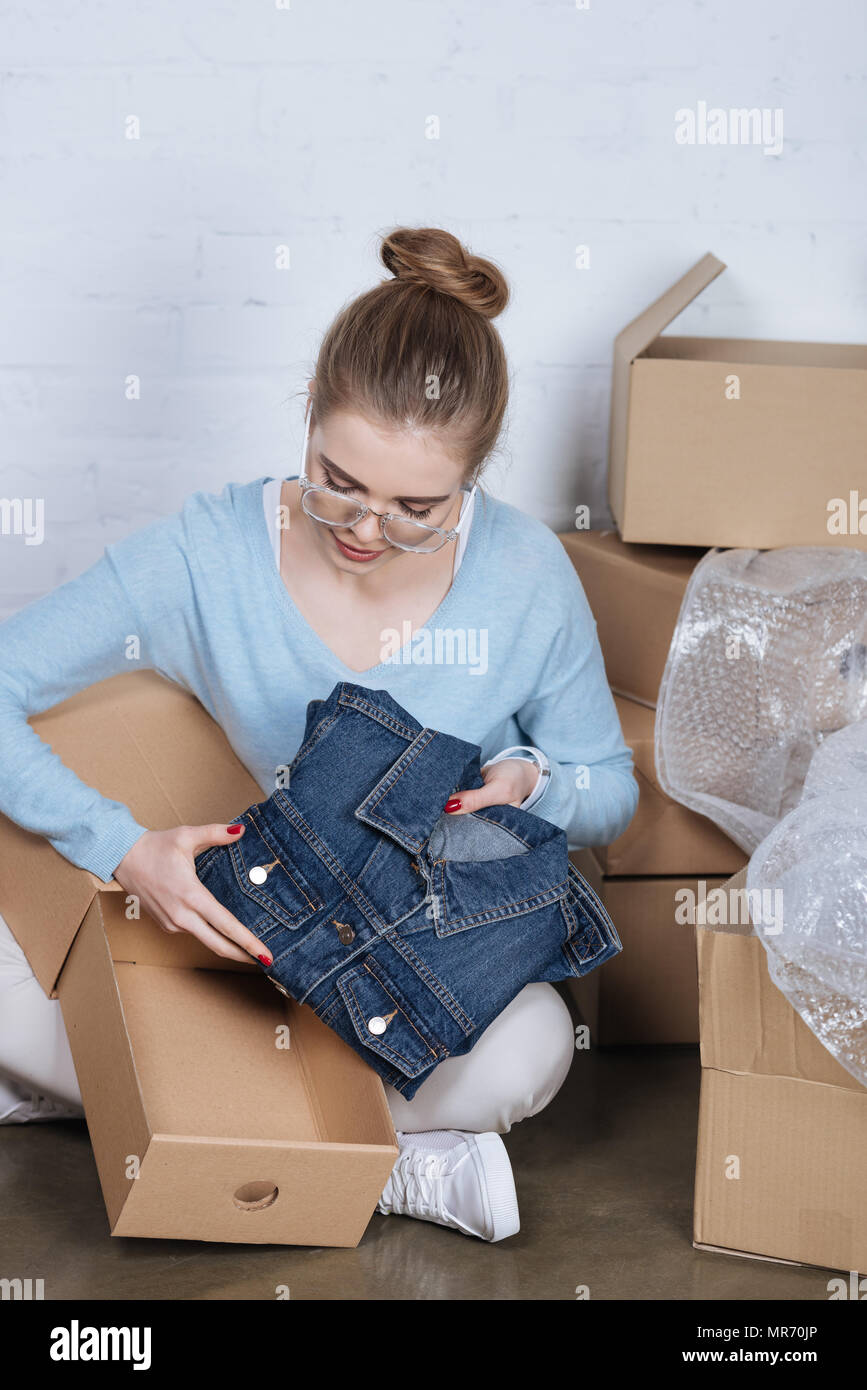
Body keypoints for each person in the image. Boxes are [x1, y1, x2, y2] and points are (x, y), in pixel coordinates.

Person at [0, 226, 638, 1243]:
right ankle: (369, 1157)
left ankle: (144, 1102)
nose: (365, 532)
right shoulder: (208, 553)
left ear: (474, 479)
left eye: (417, 507)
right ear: (307, 418)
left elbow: (610, 785)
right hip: (228, 940)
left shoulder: (526, 577)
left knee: (537, 1044)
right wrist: (122, 847)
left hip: (403, 969)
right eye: (336, 479)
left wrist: (532, 778)